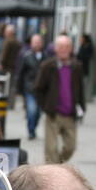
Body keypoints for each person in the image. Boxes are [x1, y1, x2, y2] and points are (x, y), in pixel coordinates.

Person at [33, 34, 85, 164]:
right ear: (55, 48)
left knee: (70, 147)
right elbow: (38, 88)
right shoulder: (47, 66)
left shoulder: (76, 66)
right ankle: (52, 173)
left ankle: (56, 166)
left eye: (67, 46)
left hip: (70, 114)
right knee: (50, 149)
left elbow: (81, 89)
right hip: (53, 114)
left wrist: (82, 107)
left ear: (71, 48)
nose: (64, 49)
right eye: (61, 46)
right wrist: (45, 107)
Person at [13, 34, 46, 139]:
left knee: (38, 113)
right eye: (34, 42)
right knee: (31, 111)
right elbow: (20, 74)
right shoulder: (26, 56)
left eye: (38, 42)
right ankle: (31, 131)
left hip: (42, 91)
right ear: (31, 44)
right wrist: (19, 90)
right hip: (30, 89)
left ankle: (34, 127)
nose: (36, 44)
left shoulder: (46, 57)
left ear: (42, 43)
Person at [0, 24, 21, 91]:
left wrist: (1, 63)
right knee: (11, 87)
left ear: (8, 33)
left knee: (3, 87)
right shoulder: (18, 42)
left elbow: (3, 54)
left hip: (6, 68)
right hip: (13, 68)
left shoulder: (7, 41)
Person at [76, 33, 95, 100]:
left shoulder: (89, 46)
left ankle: (82, 97)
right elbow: (78, 55)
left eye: (82, 38)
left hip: (84, 68)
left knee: (83, 83)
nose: (80, 40)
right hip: (79, 67)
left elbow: (89, 56)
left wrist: (82, 58)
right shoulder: (81, 46)